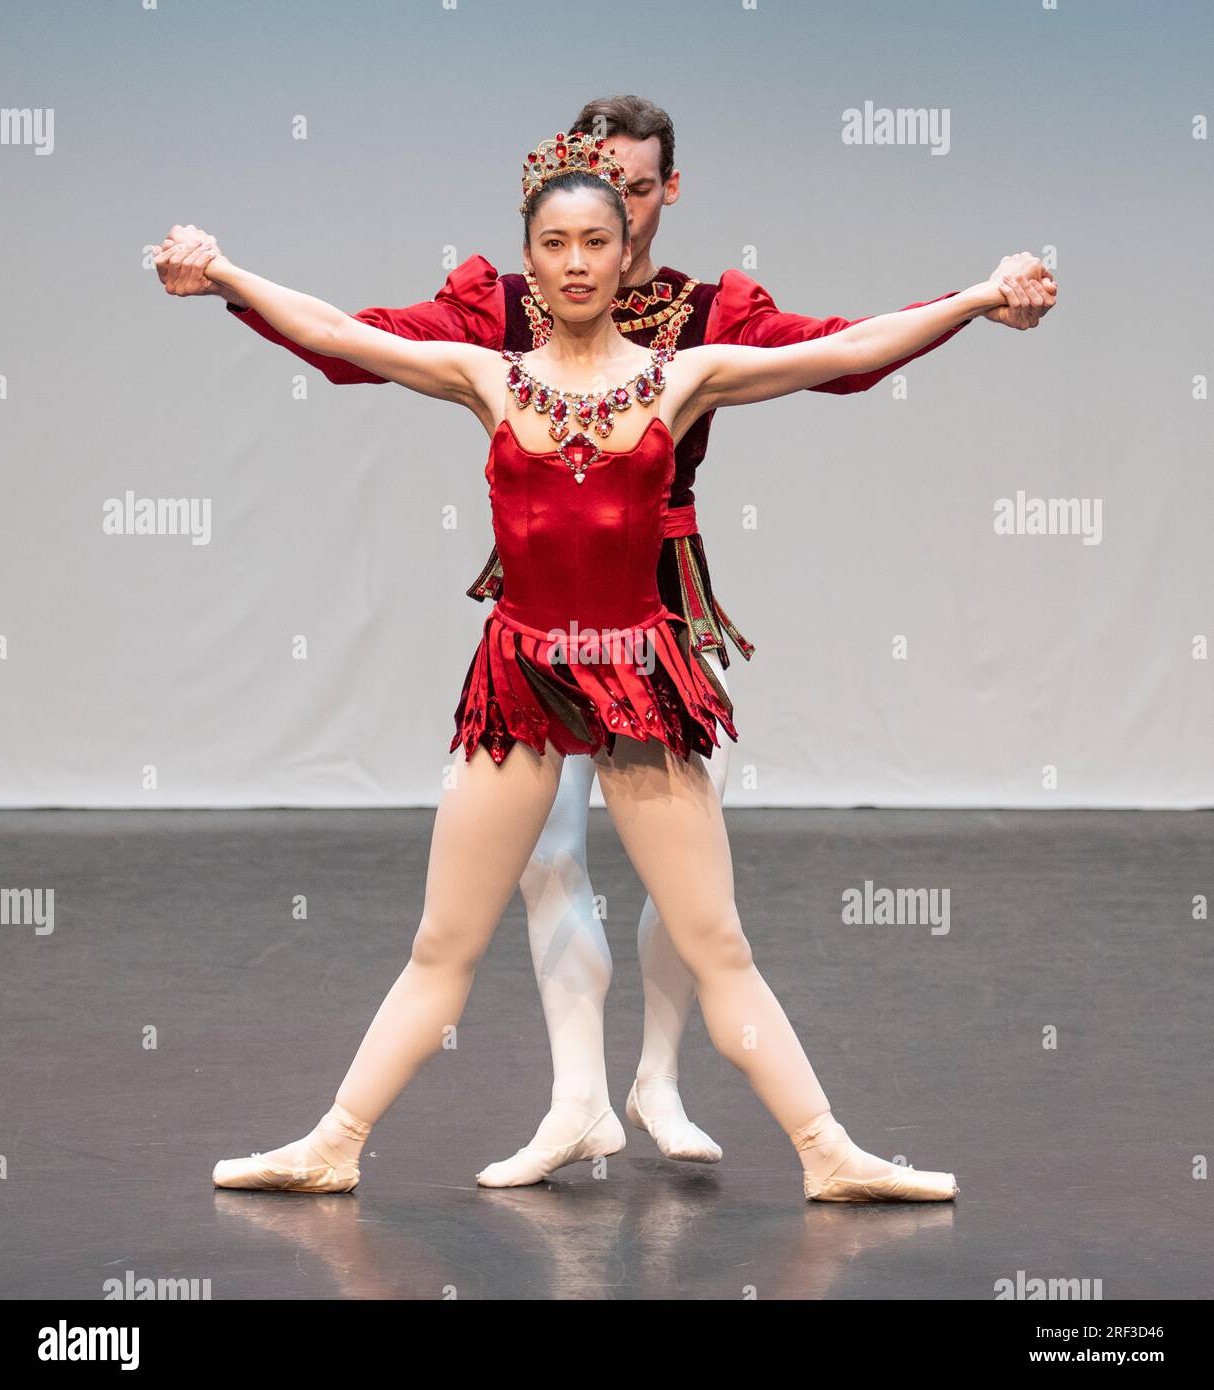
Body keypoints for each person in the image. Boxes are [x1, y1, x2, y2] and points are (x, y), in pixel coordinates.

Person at [156, 99, 1057, 1188]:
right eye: (554, 244)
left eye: (597, 240)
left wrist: (970, 297)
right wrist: (225, 275)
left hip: (638, 677)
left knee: (713, 940)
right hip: (519, 678)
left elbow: (848, 350)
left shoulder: (680, 377)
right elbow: (341, 336)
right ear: (527, 262)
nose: (577, 262)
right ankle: (333, 1144)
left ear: (628, 245)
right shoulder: (489, 374)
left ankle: (827, 1153)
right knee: (444, 942)